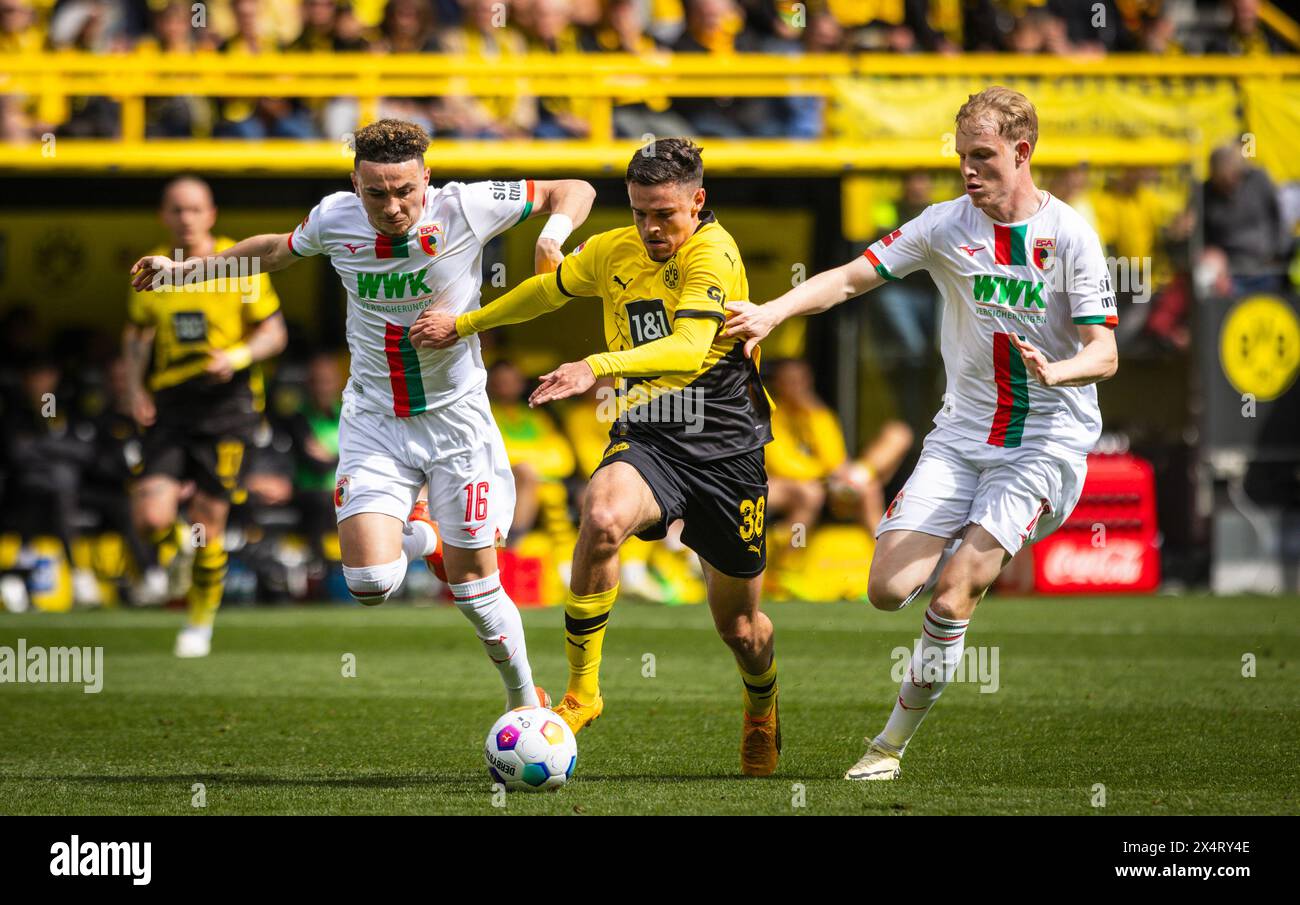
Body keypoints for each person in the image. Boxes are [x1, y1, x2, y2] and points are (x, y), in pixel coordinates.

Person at [130, 119, 596, 712]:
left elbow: (574, 187)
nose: (393, 206)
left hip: (457, 423)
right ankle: (427, 530)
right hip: (376, 421)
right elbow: (274, 250)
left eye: (405, 190)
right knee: (370, 584)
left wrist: (553, 235)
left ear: (427, 177)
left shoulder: (467, 206)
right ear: (356, 183)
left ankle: (525, 703)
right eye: (376, 192)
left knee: (475, 591)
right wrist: (182, 271)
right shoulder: (335, 218)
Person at [725, 87, 1119, 781]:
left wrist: (1058, 372)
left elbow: (1105, 354)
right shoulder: (945, 225)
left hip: (1044, 442)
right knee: (885, 588)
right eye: (961, 155)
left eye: (982, 155)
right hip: (960, 437)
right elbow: (851, 278)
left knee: (951, 592)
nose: (967, 169)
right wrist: (774, 311)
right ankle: (968, 559)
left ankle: (888, 746)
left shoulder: (1072, 237)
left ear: (1022, 152)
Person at [411, 138, 783, 776]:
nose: (650, 227)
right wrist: (465, 324)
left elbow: (691, 347)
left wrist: (594, 365)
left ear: (697, 201)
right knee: (603, 515)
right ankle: (584, 691)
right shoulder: (616, 248)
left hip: (726, 443)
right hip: (650, 431)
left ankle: (760, 706)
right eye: (640, 212)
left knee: (741, 630)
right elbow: (546, 292)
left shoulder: (714, 254)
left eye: (664, 213)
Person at [123, 176, 288, 655]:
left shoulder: (237, 264)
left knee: (208, 523)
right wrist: (135, 388)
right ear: (164, 215)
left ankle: (199, 622)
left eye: (194, 209)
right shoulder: (150, 268)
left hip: (227, 404)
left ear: (211, 214)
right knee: (152, 515)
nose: (186, 218)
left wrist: (236, 357)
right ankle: (175, 551)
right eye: (176, 209)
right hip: (172, 400)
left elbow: (273, 334)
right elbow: (137, 337)